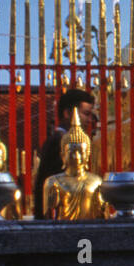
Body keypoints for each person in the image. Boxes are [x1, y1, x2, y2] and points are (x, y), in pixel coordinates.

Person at [32, 87, 96, 219]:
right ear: (67, 113)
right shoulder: (60, 142)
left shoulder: (59, 139)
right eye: (86, 113)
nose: (89, 119)